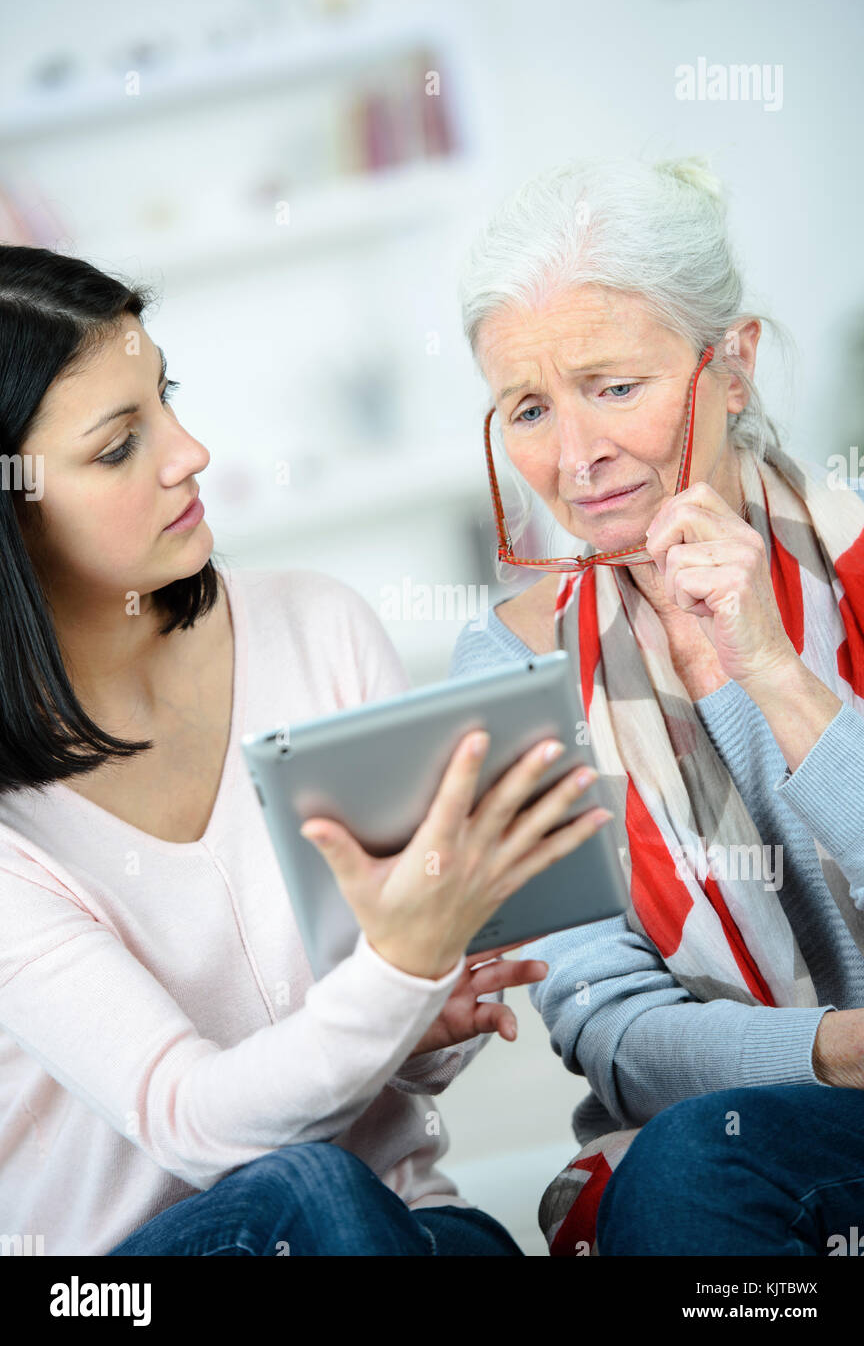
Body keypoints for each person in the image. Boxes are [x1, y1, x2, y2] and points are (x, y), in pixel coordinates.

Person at [0, 244, 608, 1257]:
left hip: (389, 1222)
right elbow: (190, 1119)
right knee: (307, 1189)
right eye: (118, 445)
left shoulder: (316, 626)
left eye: (167, 397)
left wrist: (420, 1015)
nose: (188, 450)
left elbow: (385, 1048)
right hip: (124, 1269)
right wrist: (399, 972)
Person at [449, 154, 864, 1256]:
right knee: (690, 1163)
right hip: (760, 1145)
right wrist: (837, 1050)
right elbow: (611, 1029)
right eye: (530, 407)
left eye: (614, 386)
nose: (577, 458)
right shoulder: (504, 668)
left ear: (733, 365)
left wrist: (775, 670)